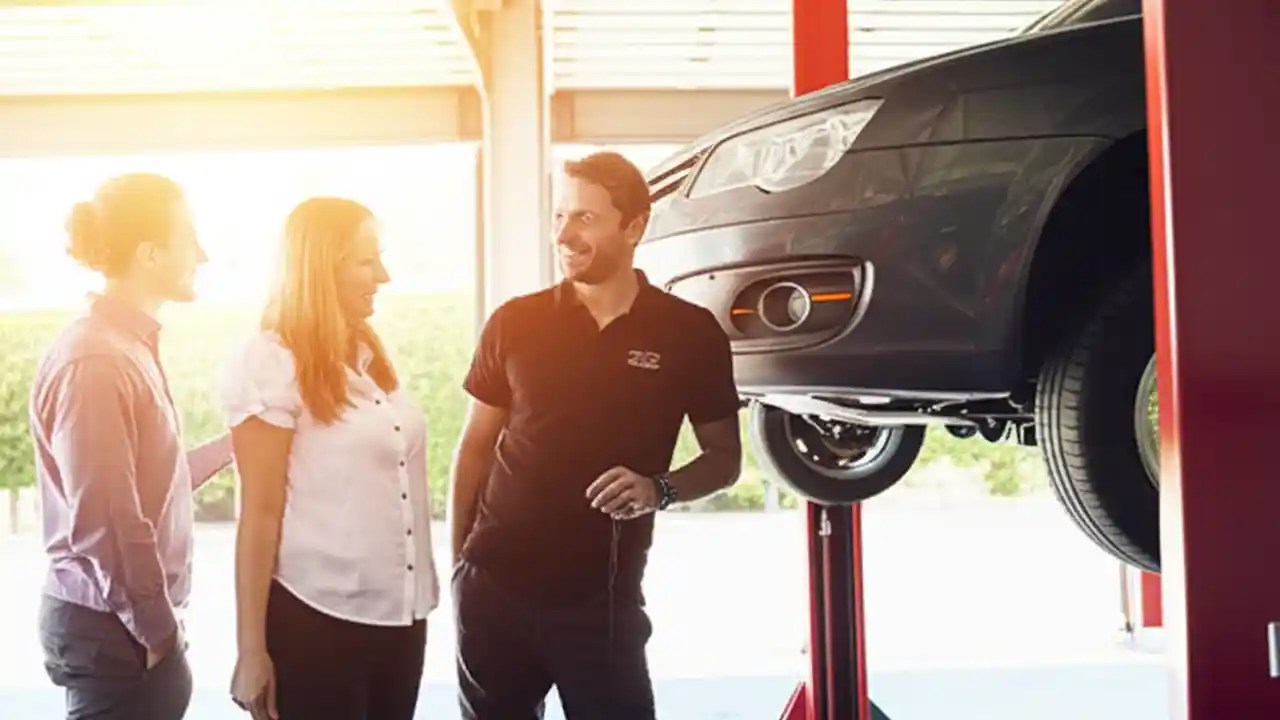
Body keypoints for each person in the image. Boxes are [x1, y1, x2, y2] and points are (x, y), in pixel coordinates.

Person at [448, 151, 744, 719]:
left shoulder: (690, 333)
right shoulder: (515, 322)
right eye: (560, 215)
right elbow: (475, 448)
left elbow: (724, 459)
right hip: (494, 594)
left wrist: (658, 489)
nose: (564, 234)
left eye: (584, 217)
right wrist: (462, 565)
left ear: (634, 227)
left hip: (602, 605)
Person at [219, 197, 439, 720]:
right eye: (366, 261)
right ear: (321, 268)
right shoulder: (269, 361)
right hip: (317, 619)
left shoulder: (370, 356)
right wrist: (251, 651)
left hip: (402, 618)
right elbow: (260, 513)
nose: (383, 275)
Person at [30, 172, 233, 720]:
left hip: (120, 629)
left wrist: (236, 444)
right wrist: (160, 635)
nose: (203, 255)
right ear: (149, 253)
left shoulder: (126, 347)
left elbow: (150, 483)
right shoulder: (97, 361)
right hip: (114, 631)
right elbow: (108, 523)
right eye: (190, 239)